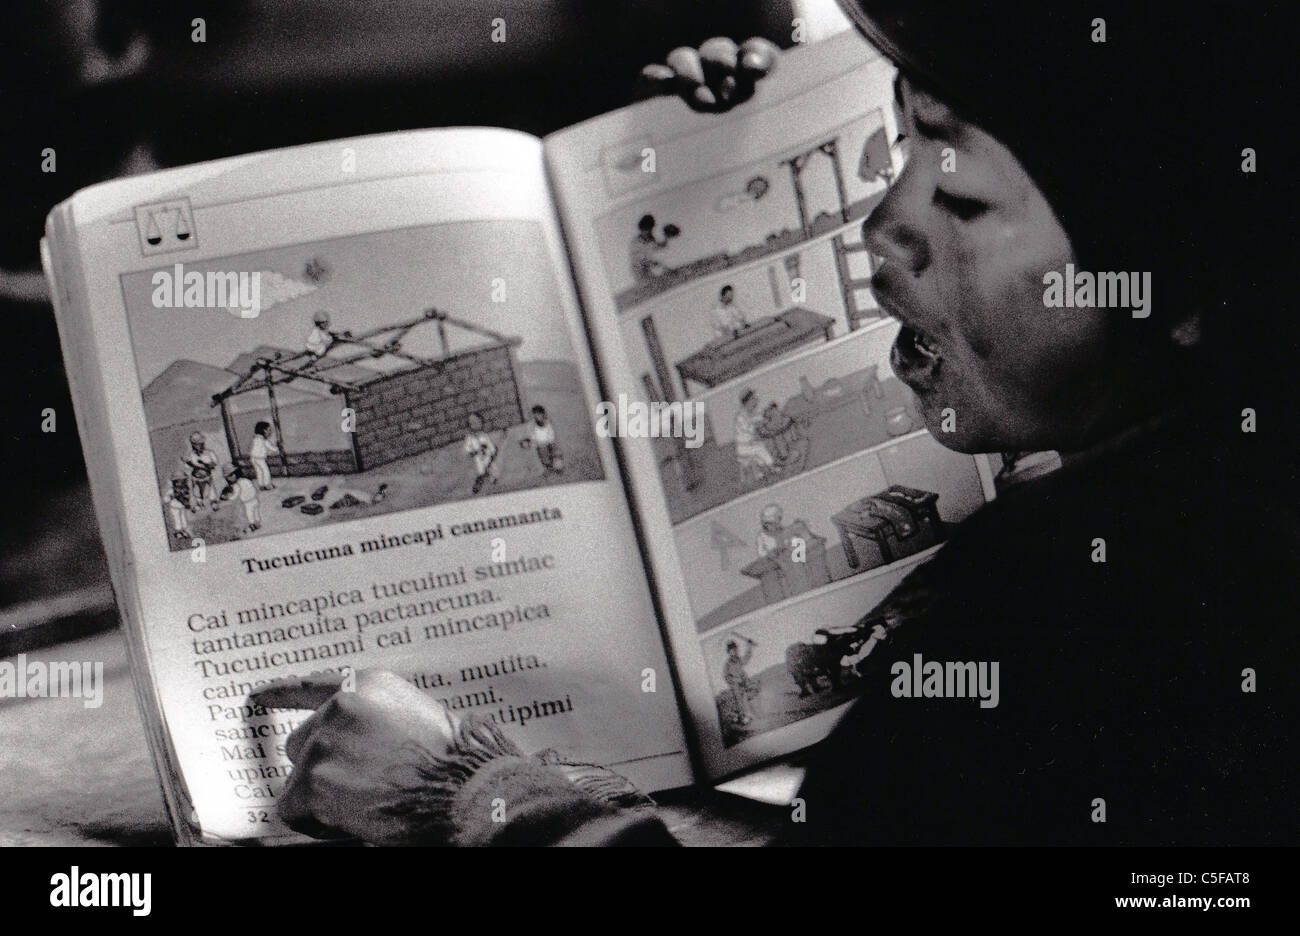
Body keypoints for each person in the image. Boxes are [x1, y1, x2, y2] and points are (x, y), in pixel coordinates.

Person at [251, 3, 1294, 846]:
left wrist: (468, 795)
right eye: (894, 143)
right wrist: (765, 124)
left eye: (960, 190)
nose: (883, 225)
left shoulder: (1067, 606)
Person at [733, 389, 774, 481]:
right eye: (753, 399)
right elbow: (749, 428)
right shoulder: (741, 416)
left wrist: (765, 417)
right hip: (745, 446)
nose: (756, 400)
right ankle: (762, 473)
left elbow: (758, 418)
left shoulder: (750, 414)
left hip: (752, 444)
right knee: (760, 450)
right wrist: (760, 423)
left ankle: (768, 469)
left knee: (762, 449)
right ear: (748, 402)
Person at [178, 431, 220, 511]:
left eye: (200, 443)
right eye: (196, 444)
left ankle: (214, 502)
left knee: (211, 489)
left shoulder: (209, 453)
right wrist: (189, 463)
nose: (198, 446)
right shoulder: (191, 455)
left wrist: (206, 464)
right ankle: (199, 504)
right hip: (196, 477)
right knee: (197, 491)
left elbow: (214, 463)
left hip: (207, 476)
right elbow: (187, 467)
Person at [722, 637, 759, 727]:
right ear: (729, 652)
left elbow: (746, 658)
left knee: (749, 695)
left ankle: (748, 715)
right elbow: (726, 677)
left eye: (735, 649)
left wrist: (749, 646)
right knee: (739, 701)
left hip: (743, 682)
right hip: (735, 685)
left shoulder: (738, 660)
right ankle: (743, 718)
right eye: (732, 650)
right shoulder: (727, 664)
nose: (734, 651)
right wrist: (735, 680)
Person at [521, 405, 563, 474]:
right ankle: (548, 466)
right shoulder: (532, 426)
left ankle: (557, 466)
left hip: (550, 442)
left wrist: (549, 442)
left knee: (555, 452)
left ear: (543, 414)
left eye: (539, 414)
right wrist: (531, 442)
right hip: (540, 444)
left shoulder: (548, 423)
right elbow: (532, 437)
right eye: (535, 415)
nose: (537, 417)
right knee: (543, 456)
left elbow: (551, 435)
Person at [463, 413, 499, 494]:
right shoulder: (470, 438)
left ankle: (494, 487)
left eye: (477, 422)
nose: (475, 425)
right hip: (478, 459)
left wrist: (492, 451)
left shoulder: (484, 436)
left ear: (481, 423)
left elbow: (491, 447)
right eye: (472, 423)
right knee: (481, 472)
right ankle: (479, 487)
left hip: (488, 457)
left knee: (492, 472)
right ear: (469, 425)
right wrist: (474, 452)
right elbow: (468, 449)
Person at [220, 463, 262, 532]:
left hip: (247, 502)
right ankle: (257, 522)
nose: (229, 479)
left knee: (249, 514)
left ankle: (252, 525)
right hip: (254, 499)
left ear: (234, 475)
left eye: (229, 477)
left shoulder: (236, 485)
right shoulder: (245, 480)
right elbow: (253, 488)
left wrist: (228, 498)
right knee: (256, 511)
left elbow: (235, 495)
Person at [249, 420, 279, 490]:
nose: (270, 432)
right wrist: (277, 448)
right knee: (265, 471)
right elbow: (271, 448)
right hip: (260, 458)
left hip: (253, 458)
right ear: (264, 431)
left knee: (259, 471)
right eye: (269, 430)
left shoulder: (255, 439)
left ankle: (261, 485)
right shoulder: (263, 440)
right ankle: (268, 484)